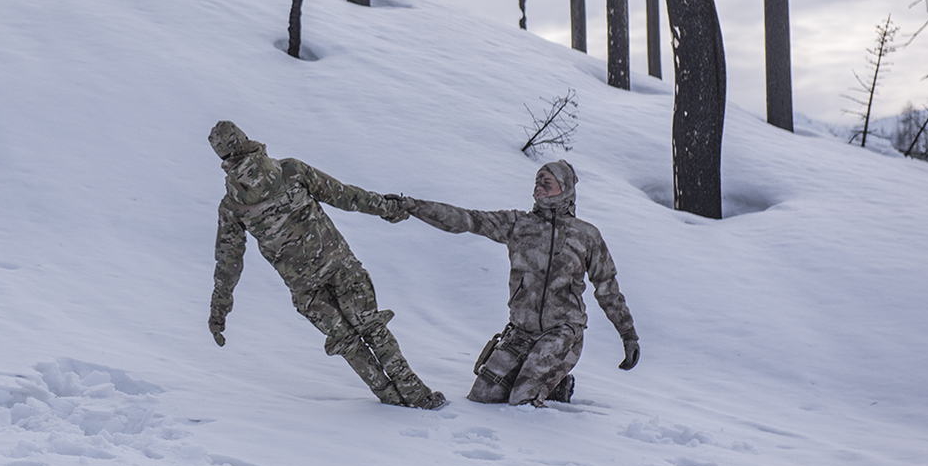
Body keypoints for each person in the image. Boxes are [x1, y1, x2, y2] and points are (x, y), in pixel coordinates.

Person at [207, 121, 445, 410]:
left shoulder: (232, 207)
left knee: (348, 343)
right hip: (340, 265)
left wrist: (218, 312)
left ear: (222, 158)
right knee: (371, 327)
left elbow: (228, 262)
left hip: (305, 289)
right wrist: (388, 207)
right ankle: (417, 396)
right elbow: (344, 195)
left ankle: (391, 404)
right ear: (246, 139)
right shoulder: (290, 170)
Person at [397, 160, 639, 406]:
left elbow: (607, 287)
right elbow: (466, 219)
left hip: (563, 332)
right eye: (537, 181)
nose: (539, 187)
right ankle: (549, 382)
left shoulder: (586, 235)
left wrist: (628, 335)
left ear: (564, 188)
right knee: (482, 397)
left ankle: (551, 383)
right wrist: (413, 207)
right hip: (521, 332)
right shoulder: (518, 225)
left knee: (522, 399)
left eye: (547, 182)